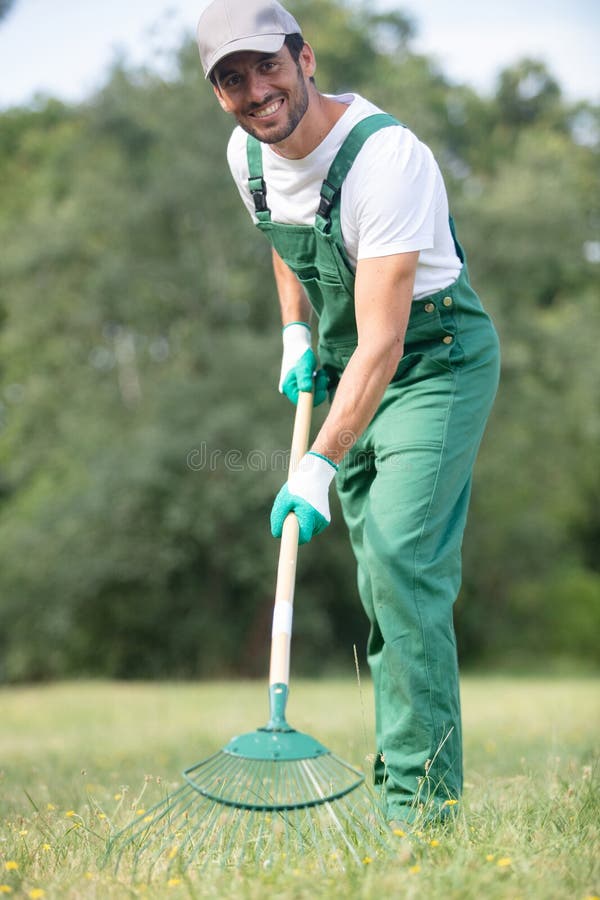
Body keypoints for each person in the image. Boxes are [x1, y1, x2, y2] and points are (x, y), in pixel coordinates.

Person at [196, 0, 500, 826]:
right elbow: (284, 235)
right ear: (219, 94)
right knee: (382, 581)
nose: (256, 91)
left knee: (401, 558)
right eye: (232, 79)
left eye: (267, 65)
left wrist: (318, 464)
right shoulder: (247, 156)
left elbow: (385, 340)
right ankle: (403, 774)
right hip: (347, 360)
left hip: (431, 360)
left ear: (305, 58)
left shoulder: (385, 160)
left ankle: (420, 814)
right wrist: (295, 332)